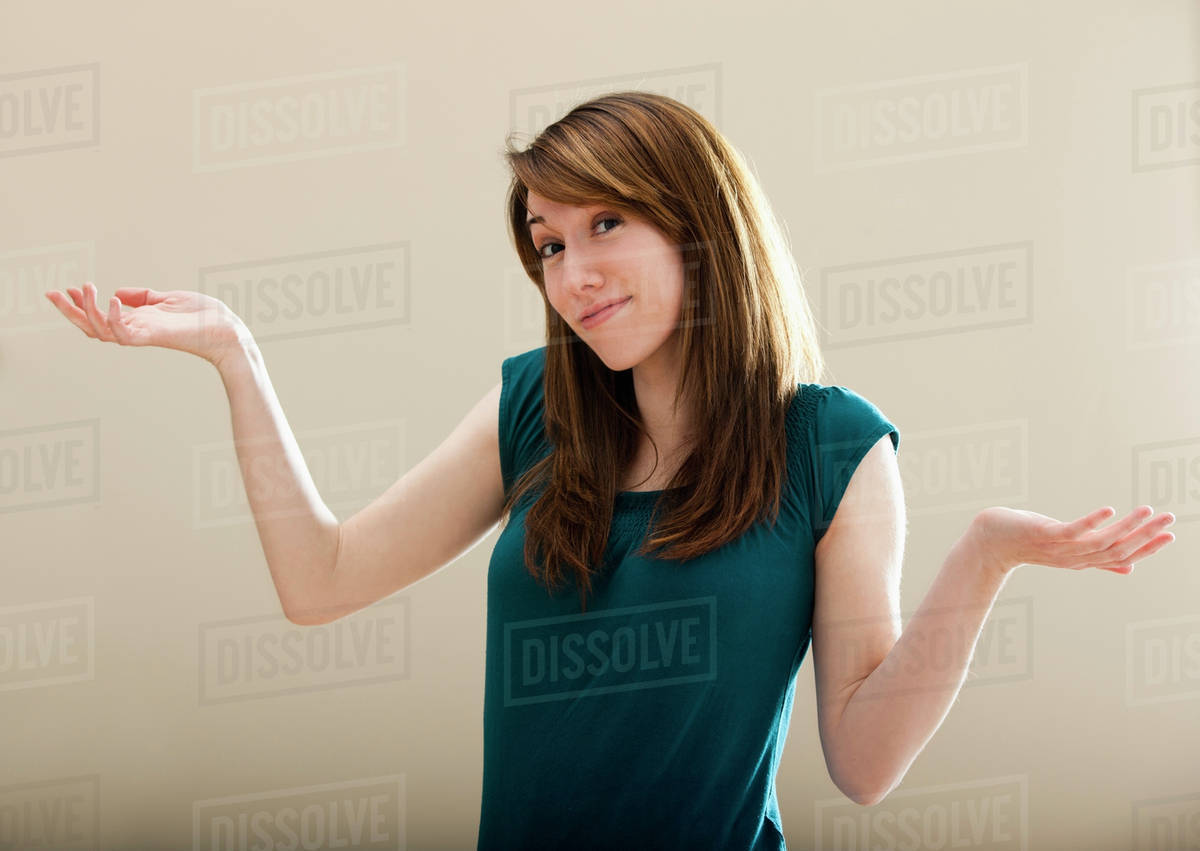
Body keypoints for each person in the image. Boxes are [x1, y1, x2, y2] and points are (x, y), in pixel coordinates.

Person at [45, 91, 1176, 850]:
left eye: (606, 223)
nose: (572, 272)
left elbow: (865, 761)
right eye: (547, 242)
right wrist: (235, 355)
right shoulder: (535, 411)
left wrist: (985, 554)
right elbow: (322, 580)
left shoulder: (833, 445)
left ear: (698, 229)